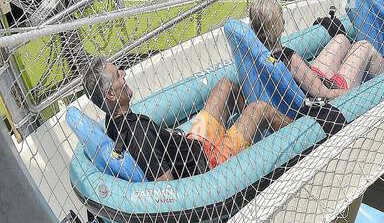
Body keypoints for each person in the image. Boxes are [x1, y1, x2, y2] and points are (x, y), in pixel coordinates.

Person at [82, 57, 293, 182]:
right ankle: (300, 128)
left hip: (196, 144)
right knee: (260, 109)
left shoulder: (113, 122)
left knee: (225, 85)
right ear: (111, 94)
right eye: (118, 76)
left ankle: (248, 134)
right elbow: (167, 186)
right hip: (211, 164)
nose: (124, 73)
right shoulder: (139, 134)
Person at [249, 0, 384, 101]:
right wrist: (359, 92)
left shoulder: (257, 54)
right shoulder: (288, 57)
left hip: (313, 78)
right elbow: (325, 94)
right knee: (363, 46)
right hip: (330, 89)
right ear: (278, 23)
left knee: (341, 39)